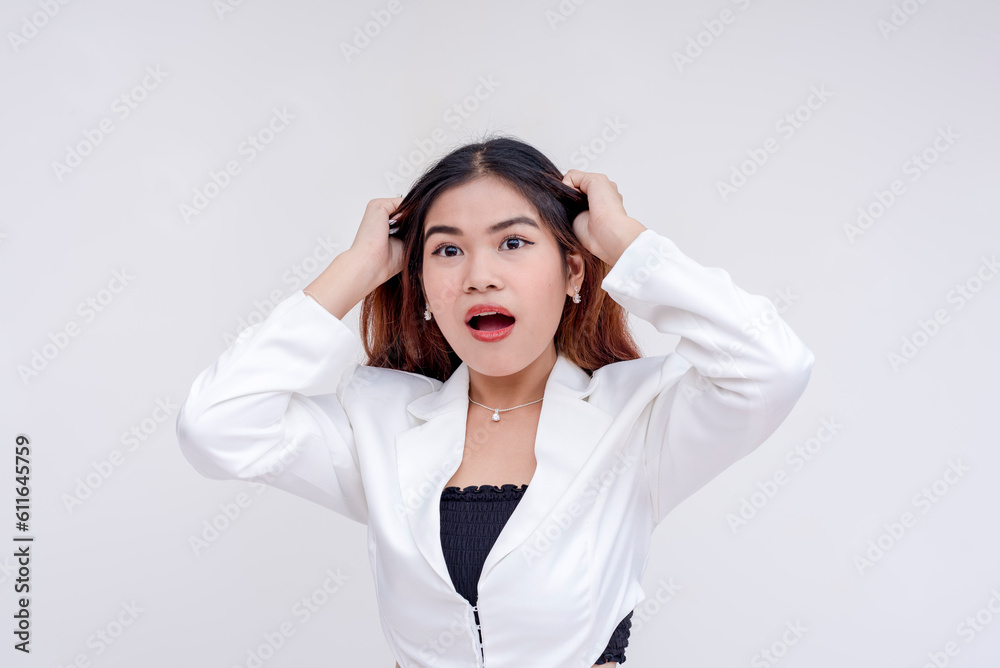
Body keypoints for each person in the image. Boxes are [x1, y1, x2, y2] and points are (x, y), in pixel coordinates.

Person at [176, 135, 815, 667]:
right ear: (421, 286)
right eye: (447, 250)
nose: (480, 274)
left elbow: (771, 366)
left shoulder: (638, 418)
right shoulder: (377, 422)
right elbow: (215, 427)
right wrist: (357, 266)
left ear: (572, 272)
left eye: (513, 242)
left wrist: (624, 238)